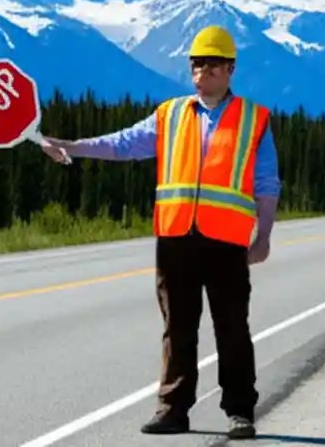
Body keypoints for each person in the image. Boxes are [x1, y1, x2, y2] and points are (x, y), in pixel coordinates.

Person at [39, 24, 280, 441]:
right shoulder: (169, 115)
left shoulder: (253, 120)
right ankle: (173, 409)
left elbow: (267, 183)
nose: (202, 71)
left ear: (230, 68)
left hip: (227, 242)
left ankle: (240, 410)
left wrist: (263, 237)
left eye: (211, 64)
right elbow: (124, 144)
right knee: (177, 327)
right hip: (176, 241)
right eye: (196, 64)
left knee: (232, 327)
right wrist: (73, 145)